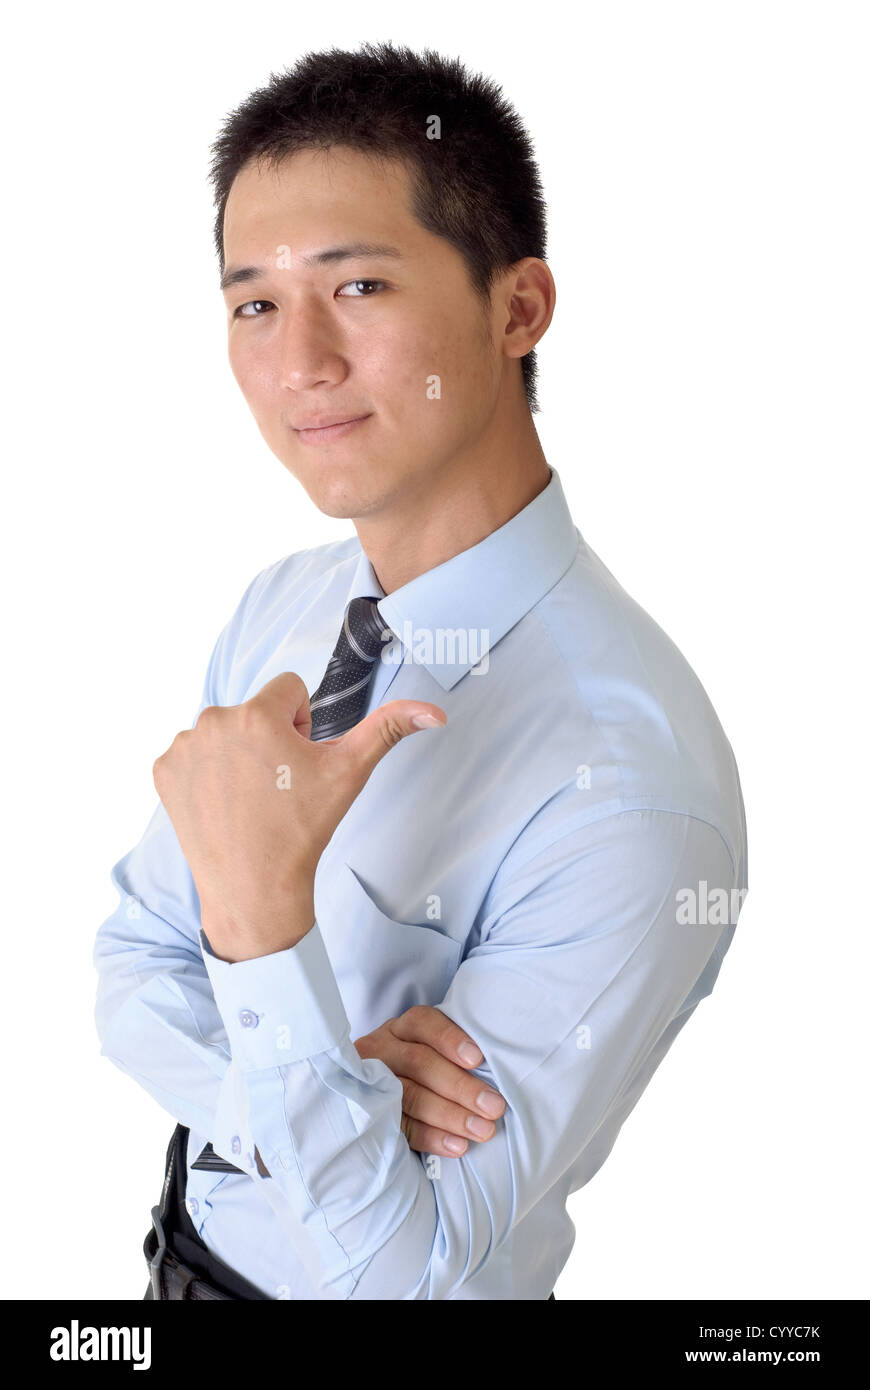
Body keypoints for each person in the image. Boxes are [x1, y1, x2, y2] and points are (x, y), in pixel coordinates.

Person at [93, 41, 747, 1302]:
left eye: (362, 287)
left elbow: (405, 1274)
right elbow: (129, 968)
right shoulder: (284, 608)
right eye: (254, 304)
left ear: (518, 310)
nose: (300, 366)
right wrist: (302, 1090)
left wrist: (258, 927)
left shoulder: (631, 784)